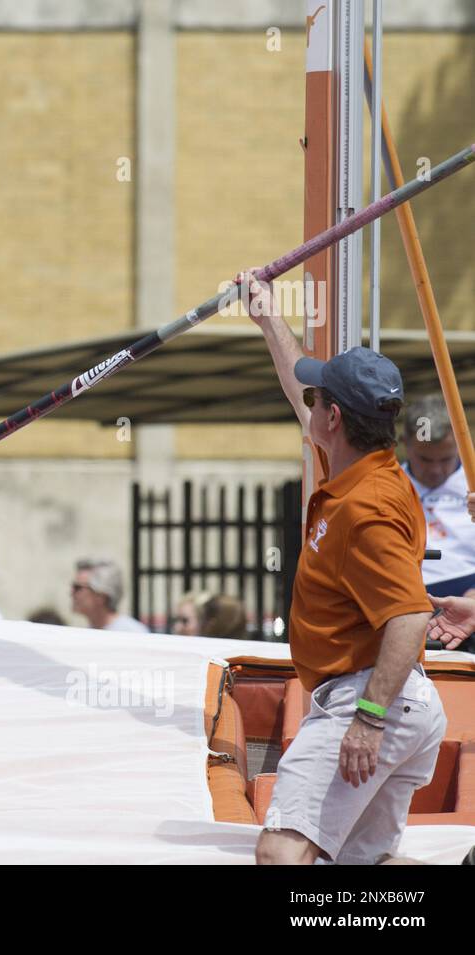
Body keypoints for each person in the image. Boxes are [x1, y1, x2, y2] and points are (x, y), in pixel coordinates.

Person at [242, 268, 446, 866]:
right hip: (391, 699)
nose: (309, 406)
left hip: (370, 697)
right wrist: (267, 318)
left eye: (319, 399)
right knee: (362, 871)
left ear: (334, 418)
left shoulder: (367, 505)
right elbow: (295, 386)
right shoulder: (365, 471)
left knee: (282, 855)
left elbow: (409, 618)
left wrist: (368, 719)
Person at [398, 393, 475, 598]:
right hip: (407, 595)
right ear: (405, 443)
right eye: (425, 459)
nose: (435, 470)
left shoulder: (473, 480)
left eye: (445, 459)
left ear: (461, 444)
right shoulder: (385, 485)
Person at [70, 558, 148, 632]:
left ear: (101, 595)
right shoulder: (86, 632)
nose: (71, 592)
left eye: (78, 587)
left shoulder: (131, 633)